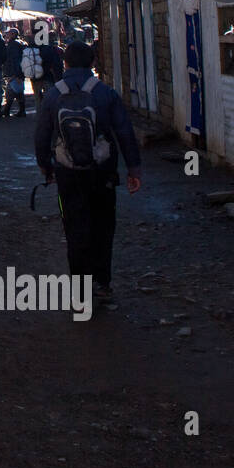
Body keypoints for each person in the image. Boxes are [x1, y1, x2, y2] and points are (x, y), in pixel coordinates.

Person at [34, 41, 142, 307]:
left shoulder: (53, 94)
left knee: (74, 227)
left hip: (67, 172)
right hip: (102, 171)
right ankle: (102, 284)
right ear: (93, 63)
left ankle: (80, 292)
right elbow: (125, 132)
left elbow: (42, 135)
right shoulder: (105, 92)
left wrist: (46, 167)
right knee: (103, 227)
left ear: (66, 63)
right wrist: (133, 169)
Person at [3, 27, 27, 116]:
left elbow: (15, 60)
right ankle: (19, 111)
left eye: (8, 33)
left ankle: (8, 111)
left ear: (13, 34)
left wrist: (16, 75)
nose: (7, 35)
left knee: (12, 91)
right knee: (16, 91)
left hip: (15, 73)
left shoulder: (13, 44)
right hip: (20, 72)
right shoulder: (21, 43)